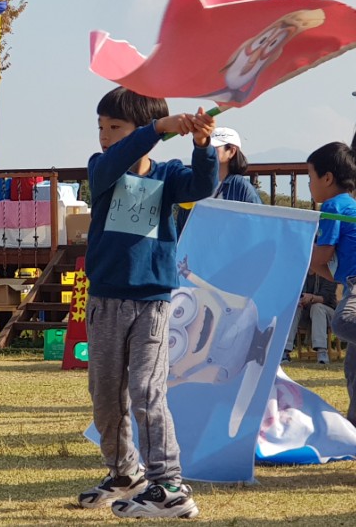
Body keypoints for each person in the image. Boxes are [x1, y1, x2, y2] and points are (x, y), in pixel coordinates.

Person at [77, 86, 217, 519]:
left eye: (115, 127)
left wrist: (202, 146)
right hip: (105, 300)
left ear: (140, 130)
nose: (104, 135)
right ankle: (124, 473)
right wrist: (156, 128)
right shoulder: (101, 168)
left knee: (146, 390)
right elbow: (117, 159)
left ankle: (168, 484)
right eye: (101, 127)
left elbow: (203, 185)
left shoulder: (168, 176)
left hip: (152, 303)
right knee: (105, 394)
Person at [306, 142, 356, 428]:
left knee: (344, 321)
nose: (309, 185)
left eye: (310, 177)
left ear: (327, 178)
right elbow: (332, 272)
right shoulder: (347, 205)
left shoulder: (333, 206)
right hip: (352, 281)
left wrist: (301, 251)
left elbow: (320, 258)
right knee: (354, 363)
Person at [176, 126, 260, 234]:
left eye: (214, 148)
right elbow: (182, 226)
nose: (209, 151)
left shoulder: (241, 187)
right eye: (207, 147)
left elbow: (256, 224)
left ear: (232, 151)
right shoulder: (194, 183)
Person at [283, 271, 337, 364]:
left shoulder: (327, 274)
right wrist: (298, 301)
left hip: (327, 313)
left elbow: (327, 298)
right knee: (295, 308)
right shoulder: (300, 274)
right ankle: (284, 351)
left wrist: (311, 297)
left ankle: (322, 352)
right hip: (305, 313)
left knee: (317, 307)